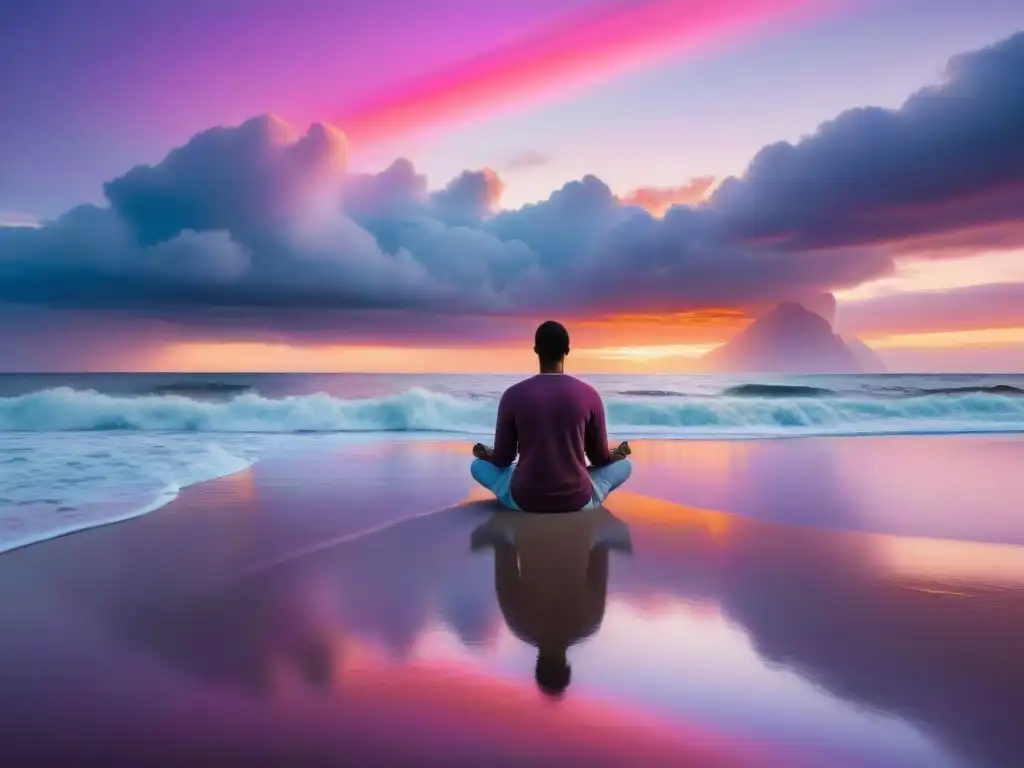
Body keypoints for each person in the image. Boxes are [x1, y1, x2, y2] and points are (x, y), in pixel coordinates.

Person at [470, 320, 632, 513]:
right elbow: (598, 458)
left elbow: (504, 459)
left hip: (524, 501)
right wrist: (615, 455)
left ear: (536, 350)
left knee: (477, 466)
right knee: (625, 466)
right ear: (567, 350)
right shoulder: (589, 394)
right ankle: (580, 487)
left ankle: (523, 487)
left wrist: (487, 454)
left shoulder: (512, 395)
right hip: (577, 500)